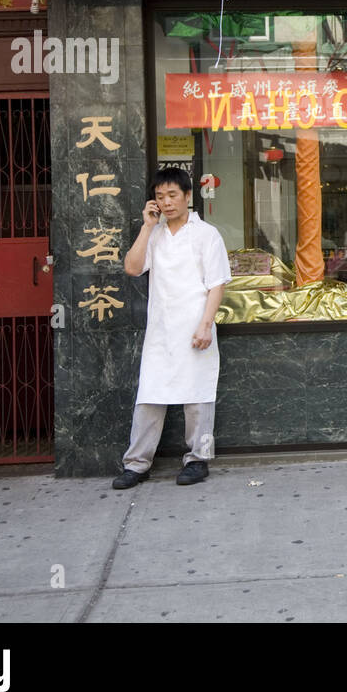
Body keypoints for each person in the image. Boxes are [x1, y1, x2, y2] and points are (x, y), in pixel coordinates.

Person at [112, 168, 233, 489]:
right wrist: (147, 226)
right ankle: (137, 464)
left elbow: (217, 283)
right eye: (160, 196)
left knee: (199, 398)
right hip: (161, 331)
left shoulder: (207, 234)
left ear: (188, 196)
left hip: (196, 327)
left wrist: (206, 324)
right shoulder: (155, 234)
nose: (166, 202)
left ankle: (199, 459)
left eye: (172, 195)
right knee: (150, 396)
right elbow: (132, 268)